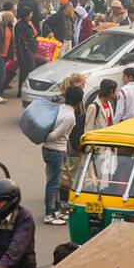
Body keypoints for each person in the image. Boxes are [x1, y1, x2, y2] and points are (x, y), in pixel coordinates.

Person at [43, 88, 79, 225]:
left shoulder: (61, 108)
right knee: (53, 184)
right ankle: (49, 214)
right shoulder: (70, 116)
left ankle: (56, 210)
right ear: (79, 101)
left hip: (51, 149)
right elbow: (55, 135)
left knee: (56, 182)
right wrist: (44, 136)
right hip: (55, 151)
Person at [14, 6, 39, 97]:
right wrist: (25, 52)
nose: (32, 15)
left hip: (31, 51)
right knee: (25, 72)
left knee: (30, 70)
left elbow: (35, 34)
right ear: (26, 14)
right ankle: (21, 91)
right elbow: (21, 40)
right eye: (31, 13)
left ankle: (27, 90)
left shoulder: (28, 24)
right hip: (24, 52)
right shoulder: (19, 25)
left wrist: (31, 25)